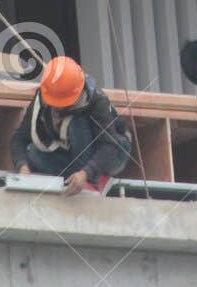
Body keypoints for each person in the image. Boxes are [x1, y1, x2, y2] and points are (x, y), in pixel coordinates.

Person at [10, 56, 131, 196]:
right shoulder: (43, 98)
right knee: (33, 153)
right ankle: (75, 179)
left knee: (77, 122)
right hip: (73, 155)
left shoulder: (97, 101)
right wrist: (22, 167)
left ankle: (91, 180)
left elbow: (109, 147)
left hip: (114, 152)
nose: (56, 108)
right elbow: (19, 138)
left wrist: (86, 172)